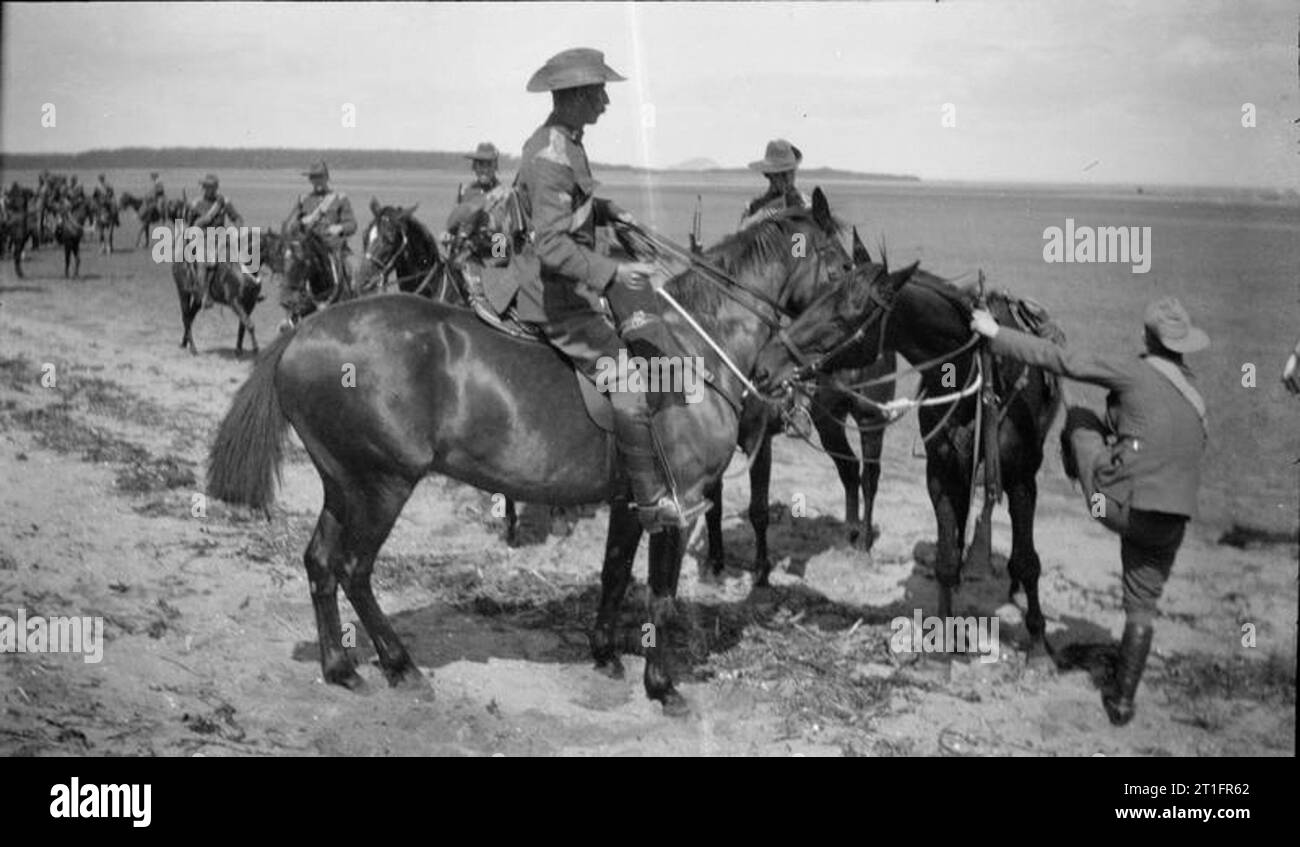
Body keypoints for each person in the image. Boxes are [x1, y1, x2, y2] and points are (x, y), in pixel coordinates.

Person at [970, 297, 1209, 726]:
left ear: (1146, 338)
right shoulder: (1195, 395)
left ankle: (1083, 489)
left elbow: (1061, 359)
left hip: (1114, 505)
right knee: (1142, 607)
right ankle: (1120, 701)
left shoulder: (1136, 370)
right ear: (1184, 346)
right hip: (1173, 519)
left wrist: (995, 333)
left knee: (1079, 415)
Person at [515, 47, 703, 533]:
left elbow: (568, 212)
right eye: (599, 92)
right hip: (555, 299)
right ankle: (651, 501)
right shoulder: (551, 156)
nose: (606, 102)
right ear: (576, 96)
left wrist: (609, 212)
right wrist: (614, 274)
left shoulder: (565, 143)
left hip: (571, 283)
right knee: (631, 385)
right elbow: (553, 244)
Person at [282, 159, 357, 298]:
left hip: (334, 248)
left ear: (327, 178)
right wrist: (304, 221)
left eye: (320, 177)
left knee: (353, 269)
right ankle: (292, 309)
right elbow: (290, 227)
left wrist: (339, 227)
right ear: (310, 180)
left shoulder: (340, 198)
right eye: (313, 177)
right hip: (309, 250)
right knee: (292, 272)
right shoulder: (303, 200)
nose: (317, 181)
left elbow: (352, 224)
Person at [444, 142, 512, 264]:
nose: (484, 169)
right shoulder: (465, 191)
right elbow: (454, 226)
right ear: (474, 167)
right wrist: (448, 236)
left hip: (494, 259)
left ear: (495, 167)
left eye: (488, 164)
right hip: (464, 258)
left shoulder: (505, 195)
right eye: (481, 164)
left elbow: (504, 235)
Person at [186, 174, 244, 309]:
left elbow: (236, 218)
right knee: (203, 263)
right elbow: (188, 224)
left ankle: (248, 289)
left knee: (244, 256)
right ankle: (205, 296)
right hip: (203, 239)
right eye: (205, 187)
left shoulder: (224, 202)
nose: (207, 190)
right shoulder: (196, 204)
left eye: (210, 187)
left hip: (221, 238)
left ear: (216, 188)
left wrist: (239, 228)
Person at [739, 139, 811, 230]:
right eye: (781, 174)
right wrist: (763, 214)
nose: (788, 179)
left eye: (791, 172)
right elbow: (741, 236)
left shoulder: (807, 205)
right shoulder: (755, 207)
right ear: (768, 175)